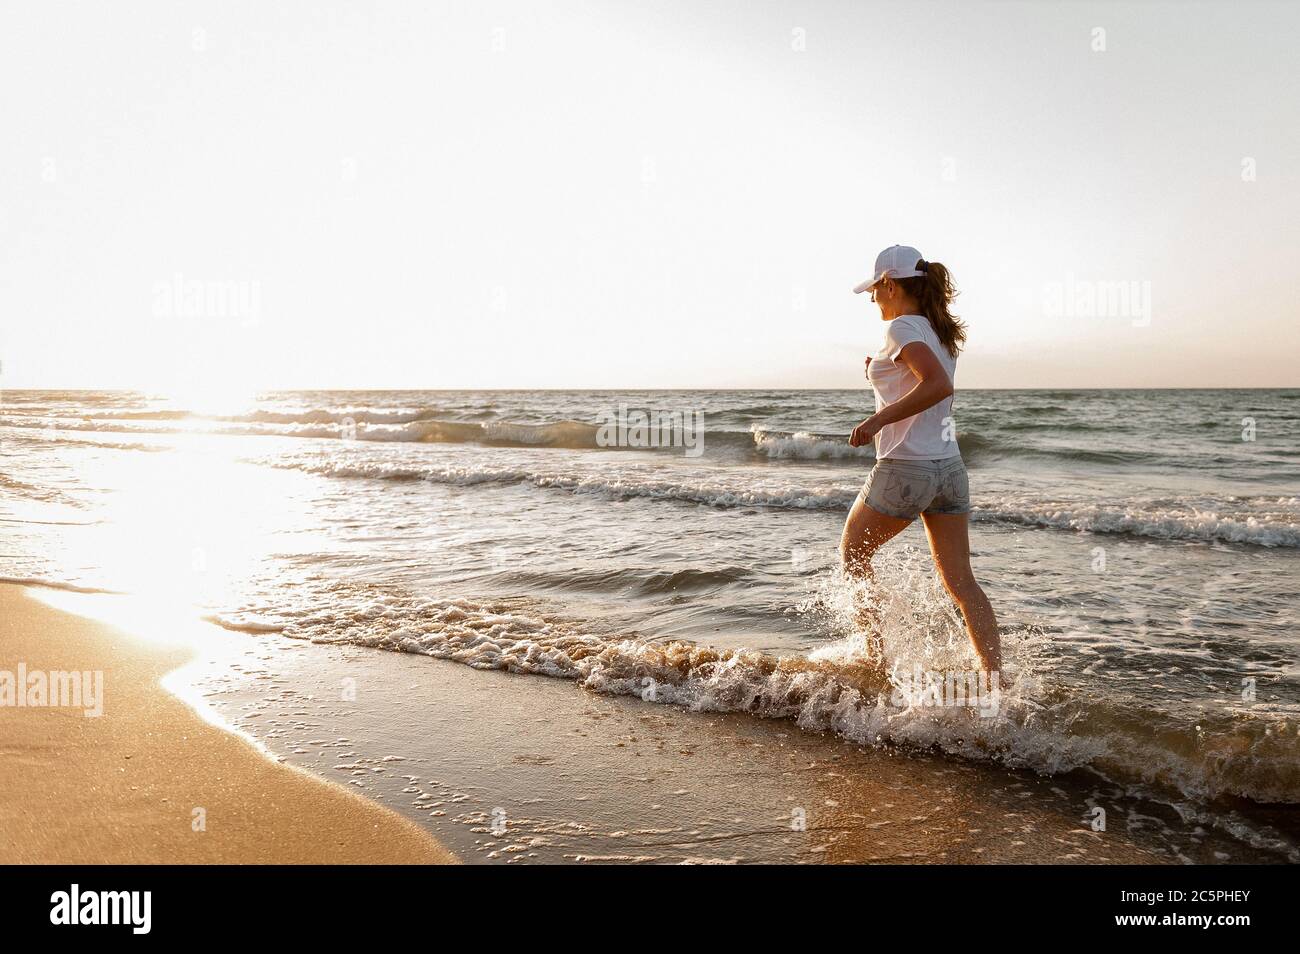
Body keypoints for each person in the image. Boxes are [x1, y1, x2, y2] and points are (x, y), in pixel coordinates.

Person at [840, 245, 1002, 673]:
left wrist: (875, 422)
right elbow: (922, 381)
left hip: (906, 468)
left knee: (853, 556)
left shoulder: (901, 328)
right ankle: (996, 684)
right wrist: (878, 370)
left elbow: (936, 385)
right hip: (948, 469)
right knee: (963, 583)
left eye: (874, 290)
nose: (873, 298)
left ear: (890, 285)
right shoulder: (937, 330)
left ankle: (876, 663)